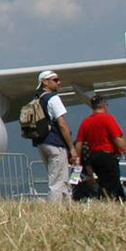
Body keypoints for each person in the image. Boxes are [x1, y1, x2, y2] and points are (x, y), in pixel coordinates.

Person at [75, 95, 126, 201]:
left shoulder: (85, 122)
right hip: (107, 155)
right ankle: (105, 202)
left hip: (93, 157)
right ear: (103, 105)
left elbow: (79, 142)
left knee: (108, 182)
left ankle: (121, 201)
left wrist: (77, 158)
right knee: (110, 184)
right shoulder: (108, 118)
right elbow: (117, 138)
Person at [34, 70, 79, 202]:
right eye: (55, 80)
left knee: (61, 177)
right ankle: (54, 211)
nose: (59, 82)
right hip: (55, 143)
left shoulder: (37, 99)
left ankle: (66, 206)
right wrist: (71, 148)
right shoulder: (53, 98)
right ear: (45, 82)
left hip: (42, 143)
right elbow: (62, 124)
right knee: (57, 181)